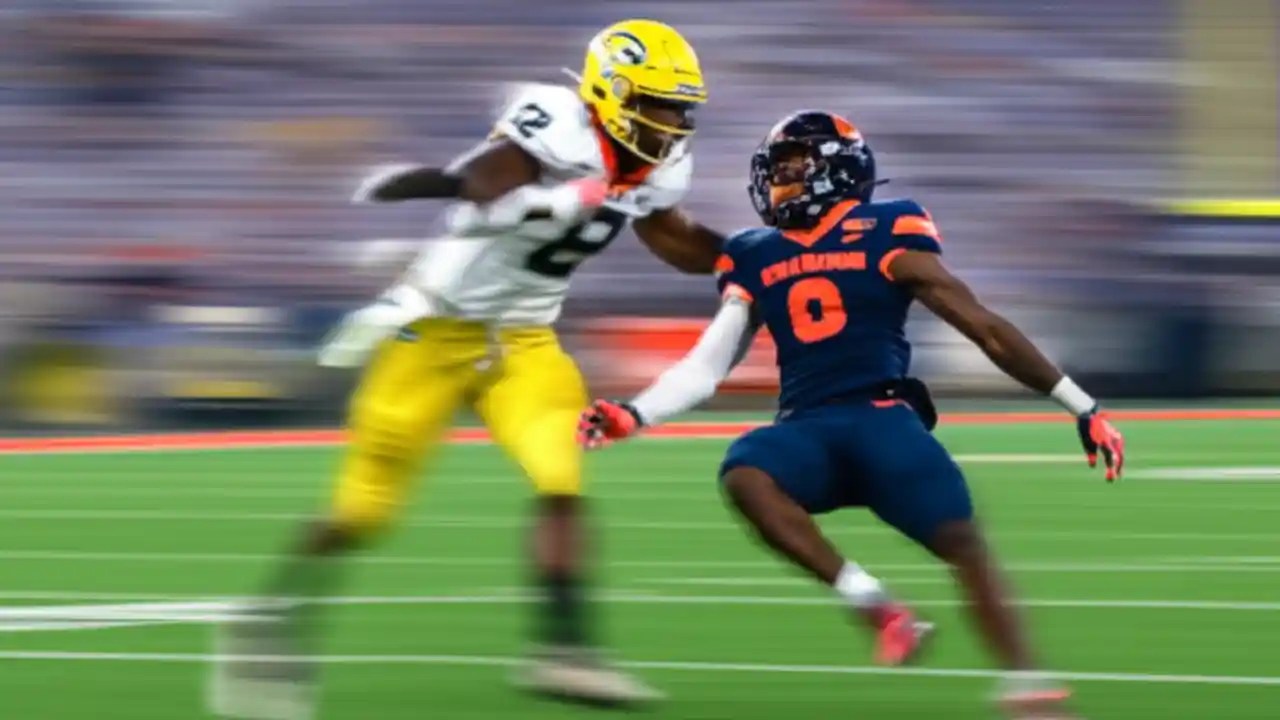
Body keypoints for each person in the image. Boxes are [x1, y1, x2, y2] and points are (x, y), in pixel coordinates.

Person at [208, 19, 726, 719]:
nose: (671, 123)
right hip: (433, 334)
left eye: (679, 108)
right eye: (658, 104)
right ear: (610, 94)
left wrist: (755, 257)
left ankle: (566, 653)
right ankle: (267, 618)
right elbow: (483, 181)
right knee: (362, 511)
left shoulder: (659, 167)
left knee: (561, 479)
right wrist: (545, 195)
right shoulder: (555, 122)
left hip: (525, 342)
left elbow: (677, 240)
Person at [578, 110, 1125, 719]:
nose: (779, 182)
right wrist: (634, 413)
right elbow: (708, 364)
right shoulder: (755, 254)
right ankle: (876, 605)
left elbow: (982, 326)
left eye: (793, 167)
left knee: (962, 543)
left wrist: (1081, 405)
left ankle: (1029, 685)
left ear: (836, 170)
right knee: (747, 472)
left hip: (881, 418)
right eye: (776, 170)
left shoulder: (887, 229)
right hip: (807, 428)